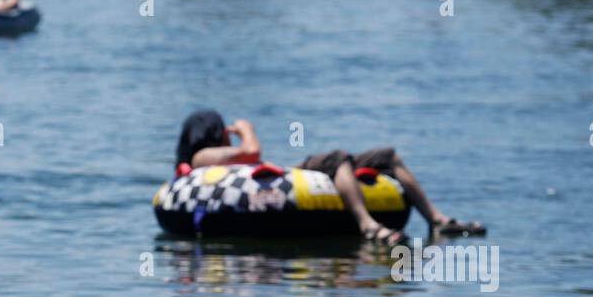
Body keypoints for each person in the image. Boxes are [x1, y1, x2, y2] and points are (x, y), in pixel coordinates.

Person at [175, 110, 487, 248]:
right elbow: (252, 152)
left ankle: (436, 219)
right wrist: (245, 129)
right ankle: (367, 224)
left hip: (286, 177)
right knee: (339, 158)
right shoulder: (202, 157)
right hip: (284, 180)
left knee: (386, 157)